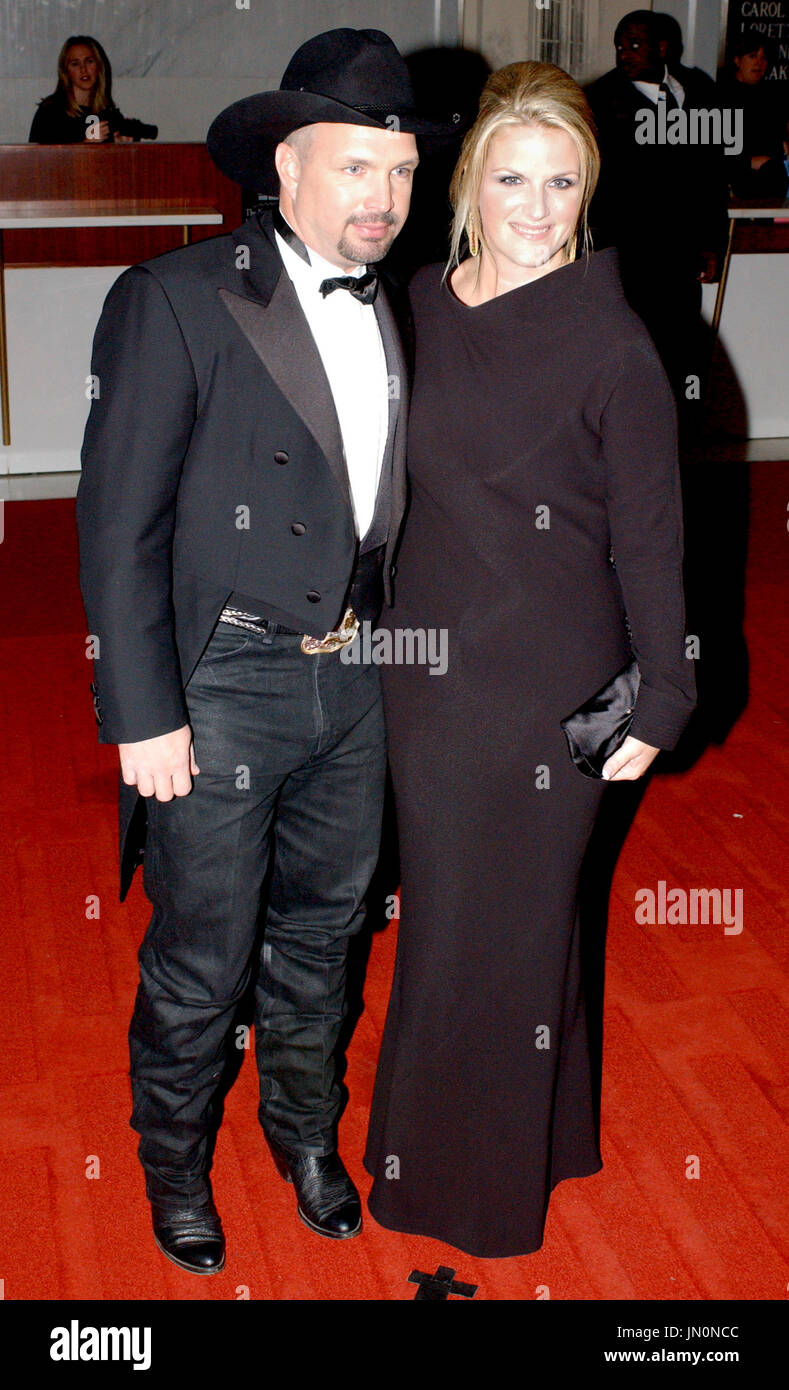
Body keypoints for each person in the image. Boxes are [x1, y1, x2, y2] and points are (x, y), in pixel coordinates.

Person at [76, 27, 444, 1275]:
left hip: (353, 673)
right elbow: (117, 524)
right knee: (203, 950)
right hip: (221, 683)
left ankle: (302, 1133)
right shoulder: (176, 295)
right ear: (285, 165)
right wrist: (143, 712)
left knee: (327, 934)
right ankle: (171, 1162)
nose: (384, 200)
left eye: (399, 174)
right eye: (355, 169)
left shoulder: (397, 305)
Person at [363, 60, 697, 1259]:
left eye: (563, 180)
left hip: (550, 685)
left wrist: (663, 693)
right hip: (429, 673)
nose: (540, 205)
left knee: (482, 926)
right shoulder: (417, 302)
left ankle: (461, 1191)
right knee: (499, 918)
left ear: (587, 190)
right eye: (515, 177)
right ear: (470, 184)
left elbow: (656, 539)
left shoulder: (612, 345)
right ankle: (548, 1133)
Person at [586, 10, 728, 438]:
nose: (623, 54)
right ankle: (629, 430)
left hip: (681, 253)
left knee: (681, 342)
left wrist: (711, 242)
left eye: (634, 44)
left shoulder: (697, 90)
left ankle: (681, 428)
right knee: (632, 342)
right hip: (629, 251)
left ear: (662, 48)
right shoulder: (601, 99)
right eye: (619, 45)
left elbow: (711, 176)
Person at [29, 35, 157, 144]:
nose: (83, 69)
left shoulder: (107, 114)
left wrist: (119, 146)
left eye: (89, 61)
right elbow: (37, 162)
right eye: (75, 63)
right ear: (66, 71)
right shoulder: (50, 113)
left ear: (99, 66)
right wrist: (86, 144)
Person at [718, 30, 788, 199]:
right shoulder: (720, 95)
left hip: (774, 173)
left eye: (763, 58)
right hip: (737, 176)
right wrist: (747, 162)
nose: (759, 63)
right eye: (752, 56)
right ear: (737, 60)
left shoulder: (772, 96)